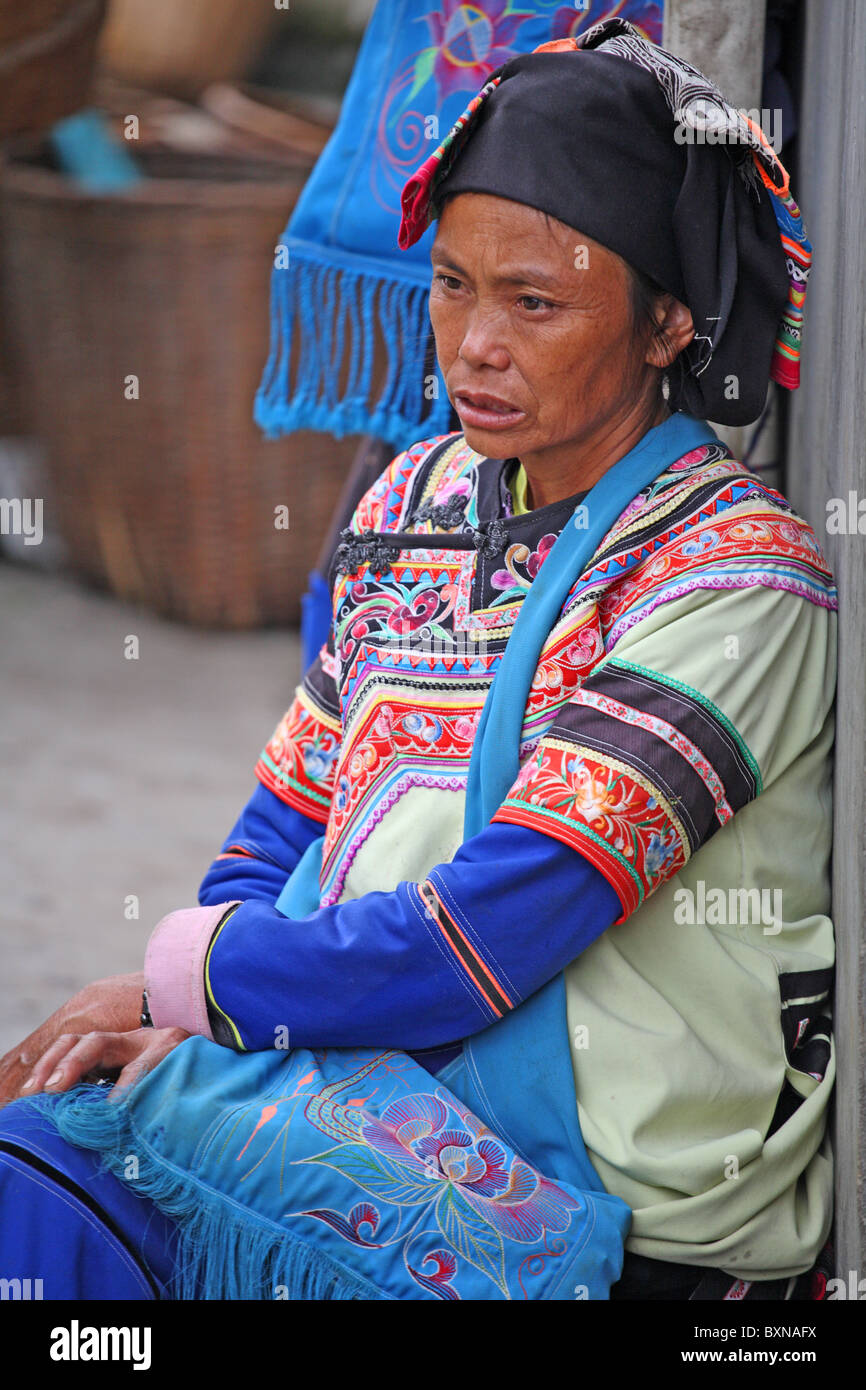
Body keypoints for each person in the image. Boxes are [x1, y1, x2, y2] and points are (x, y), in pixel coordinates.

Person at [0, 19, 834, 1301]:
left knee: (50, 1178)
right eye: (452, 285)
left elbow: (488, 931)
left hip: (601, 1189)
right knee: (40, 1146)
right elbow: (287, 818)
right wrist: (200, 1006)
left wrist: (196, 982)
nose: (474, 345)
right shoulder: (414, 498)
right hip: (368, 1063)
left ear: (668, 323)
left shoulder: (735, 579)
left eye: (534, 302)